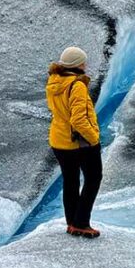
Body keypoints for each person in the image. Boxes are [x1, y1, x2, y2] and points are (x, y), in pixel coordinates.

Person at [46, 46, 102, 238]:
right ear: (77, 64)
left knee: (70, 181)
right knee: (93, 178)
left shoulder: (54, 80)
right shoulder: (76, 85)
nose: (85, 64)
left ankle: (72, 223)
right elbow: (78, 120)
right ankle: (81, 223)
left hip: (58, 140)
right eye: (83, 61)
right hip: (77, 141)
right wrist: (93, 138)